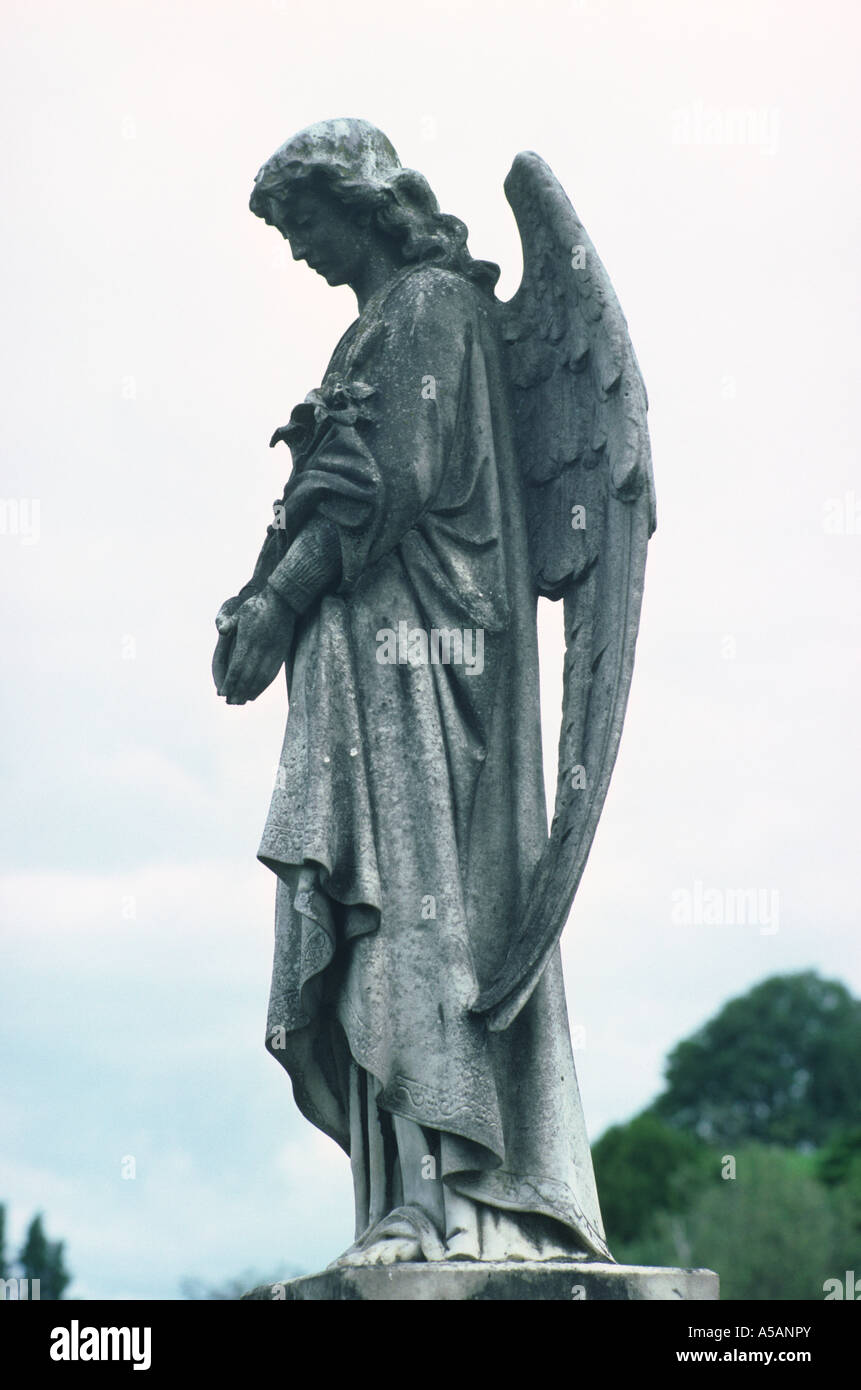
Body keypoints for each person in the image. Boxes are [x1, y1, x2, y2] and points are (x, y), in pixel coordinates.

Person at [213, 118, 609, 1265]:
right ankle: (409, 1199)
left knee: (420, 910)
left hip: (429, 681)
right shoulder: (381, 324)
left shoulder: (430, 307)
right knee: (394, 912)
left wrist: (277, 605)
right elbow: (334, 481)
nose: (297, 252)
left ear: (361, 200)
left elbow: (375, 485)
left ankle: (449, 1200)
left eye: (303, 224)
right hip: (382, 674)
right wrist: (264, 598)